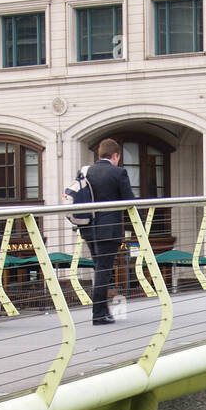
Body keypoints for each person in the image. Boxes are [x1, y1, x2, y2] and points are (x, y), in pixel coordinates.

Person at [83, 137, 136, 325]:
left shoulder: (86, 172)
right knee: (104, 270)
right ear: (115, 155)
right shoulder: (118, 173)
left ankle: (104, 312)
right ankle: (98, 314)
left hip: (89, 228)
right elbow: (129, 200)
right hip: (109, 229)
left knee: (99, 267)